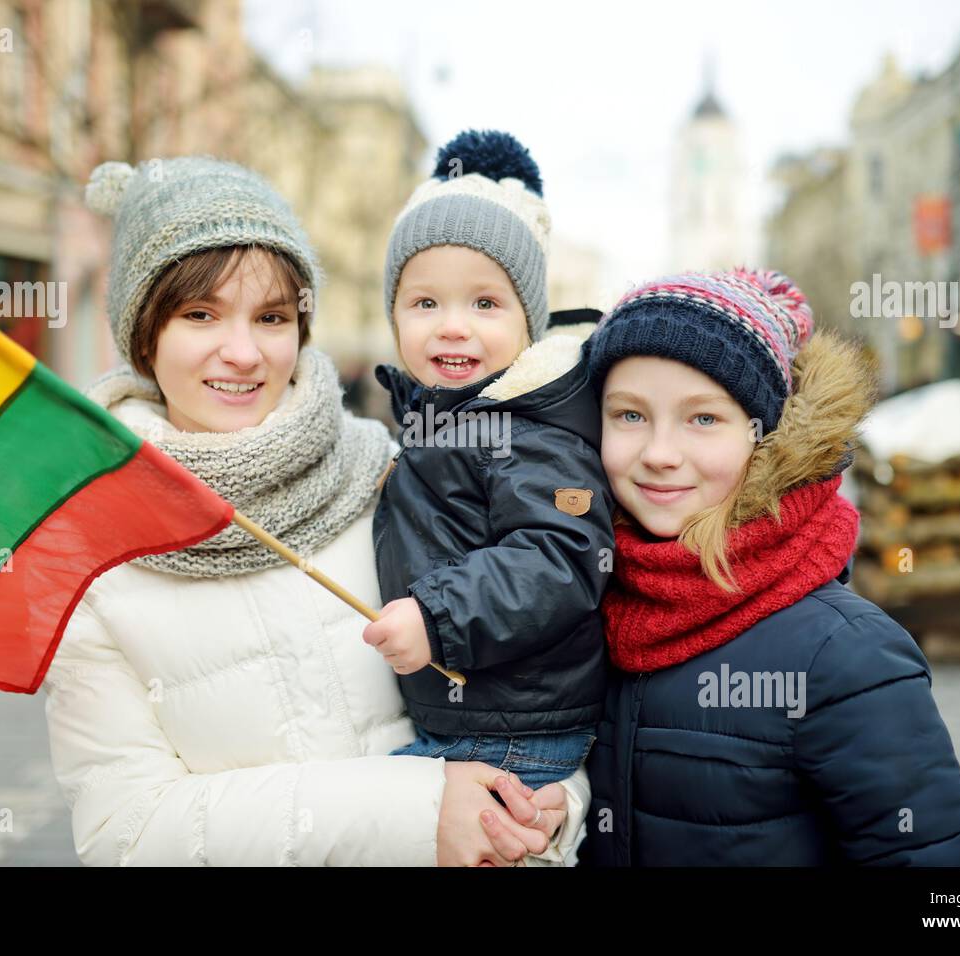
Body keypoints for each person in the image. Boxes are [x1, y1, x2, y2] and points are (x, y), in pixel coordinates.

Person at [42, 155, 589, 866]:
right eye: (199, 314)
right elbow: (129, 833)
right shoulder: (96, 556)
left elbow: (534, 658)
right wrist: (423, 813)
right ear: (143, 335)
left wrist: (559, 802)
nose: (241, 352)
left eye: (270, 316)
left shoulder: (391, 471)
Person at [576, 270, 960, 865]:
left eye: (703, 419)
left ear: (766, 439)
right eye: (629, 415)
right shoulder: (577, 598)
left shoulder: (846, 655)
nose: (659, 454)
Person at [366, 130, 613, 790]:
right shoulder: (441, 420)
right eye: (425, 303)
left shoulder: (532, 428)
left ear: (527, 323)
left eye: (485, 303)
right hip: (467, 721)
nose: (453, 325)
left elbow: (561, 555)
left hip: (516, 736)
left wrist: (436, 619)